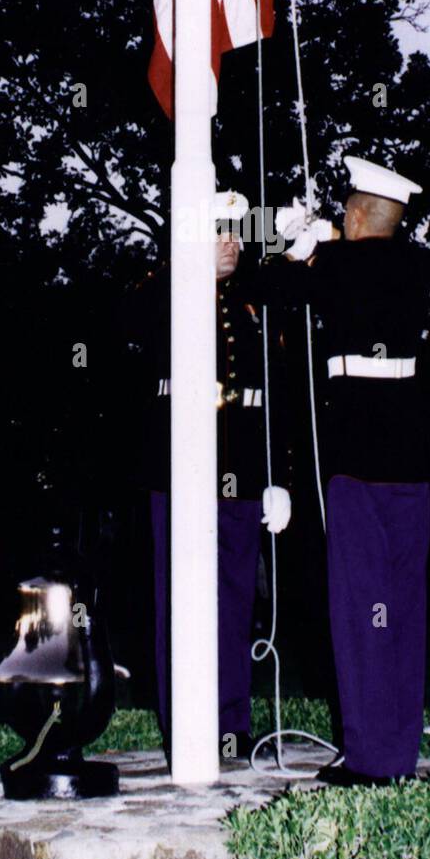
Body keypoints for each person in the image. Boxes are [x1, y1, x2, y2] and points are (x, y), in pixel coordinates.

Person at [250, 156, 430, 786]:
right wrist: (322, 244)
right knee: (401, 608)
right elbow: (353, 270)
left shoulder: (342, 264)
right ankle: (397, 753)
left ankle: (369, 758)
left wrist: (297, 245)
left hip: (355, 461)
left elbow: (274, 290)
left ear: (356, 215)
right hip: (410, 460)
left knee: (361, 608)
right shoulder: (414, 266)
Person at [138, 192, 291, 759]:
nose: (229, 243)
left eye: (235, 233)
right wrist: (194, 270)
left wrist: (280, 474)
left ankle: (231, 721)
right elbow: (125, 322)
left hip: (242, 464)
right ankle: (184, 723)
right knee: (178, 596)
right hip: (178, 459)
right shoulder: (167, 284)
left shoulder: (258, 296)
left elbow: (280, 391)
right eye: (217, 232)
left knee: (233, 596)